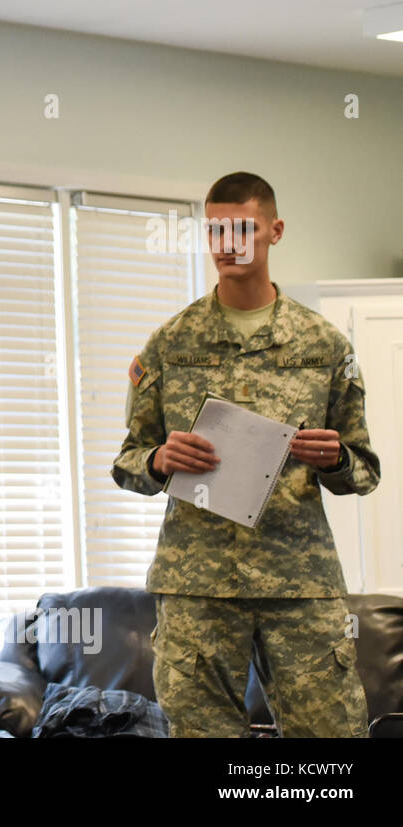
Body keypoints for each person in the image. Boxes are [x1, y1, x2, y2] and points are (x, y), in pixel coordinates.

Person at [112, 172, 379, 737]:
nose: (228, 243)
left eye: (243, 229)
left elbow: (363, 471)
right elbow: (128, 462)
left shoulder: (324, 345)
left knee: (331, 737)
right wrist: (159, 460)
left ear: (274, 232)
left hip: (298, 579)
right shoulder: (171, 343)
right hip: (198, 582)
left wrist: (335, 459)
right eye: (216, 231)